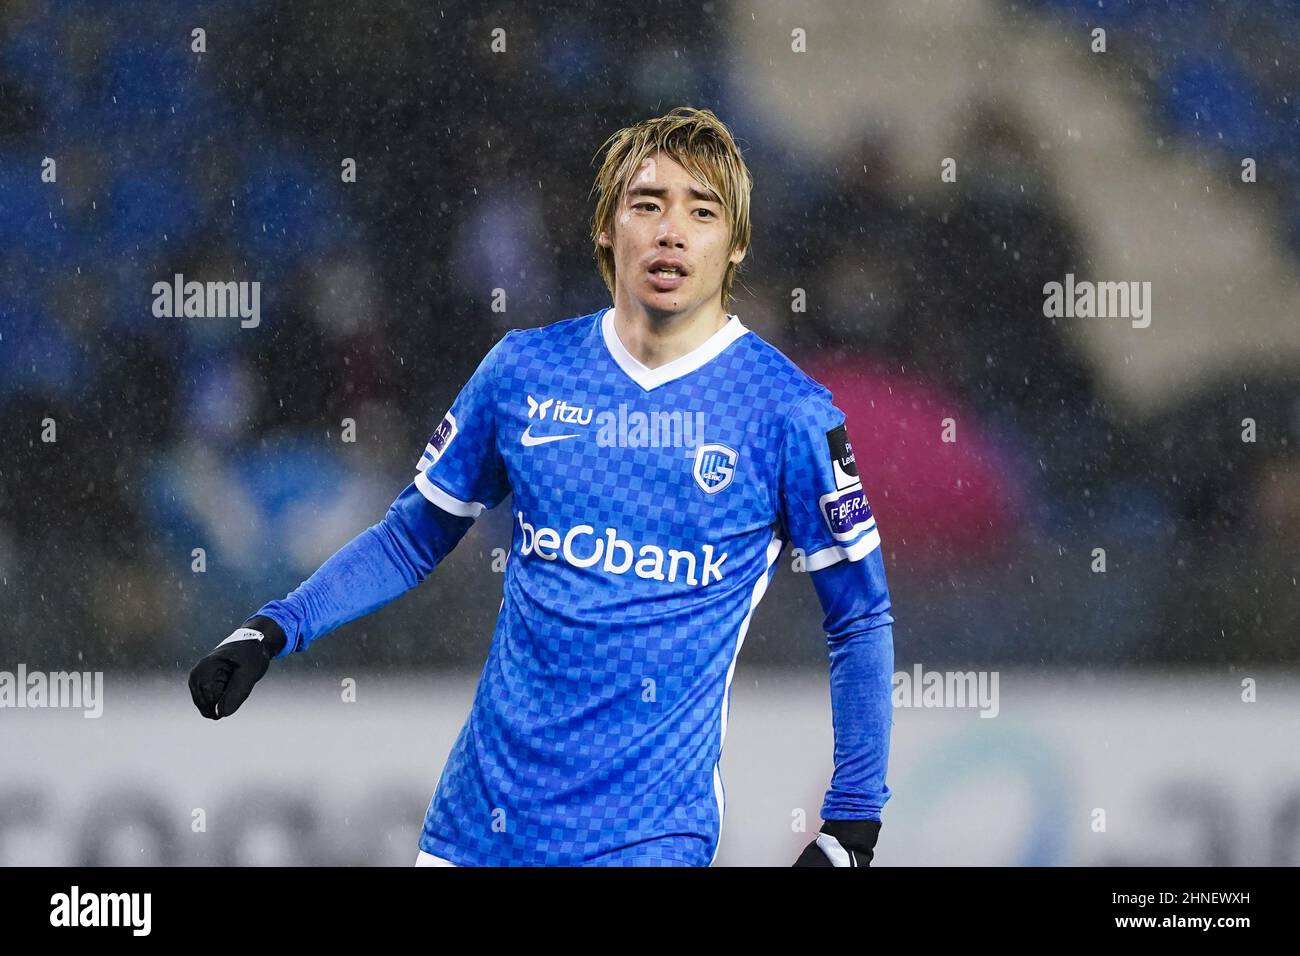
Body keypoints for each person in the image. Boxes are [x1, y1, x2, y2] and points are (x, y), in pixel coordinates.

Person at [189, 107, 895, 867]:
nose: (672, 231)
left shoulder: (787, 414)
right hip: (473, 833)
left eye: (703, 210)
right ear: (605, 229)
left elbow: (859, 615)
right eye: (647, 204)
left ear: (736, 244)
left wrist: (851, 824)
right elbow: (409, 538)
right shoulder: (525, 372)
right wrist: (273, 629)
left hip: (647, 843)